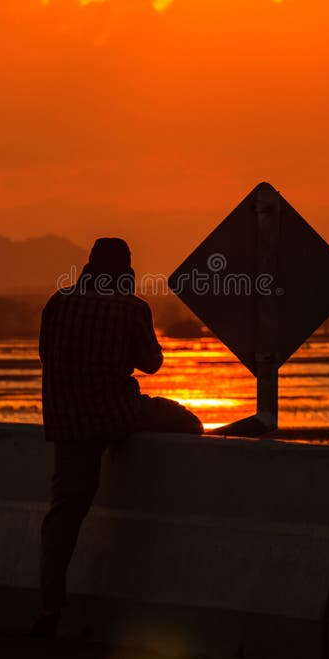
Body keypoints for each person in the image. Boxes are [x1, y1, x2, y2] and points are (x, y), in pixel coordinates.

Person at [32, 237, 202, 638]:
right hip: (116, 415)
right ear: (125, 273)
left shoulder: (59, 302)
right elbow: (153, 363)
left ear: (88, 268)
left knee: (64, 513)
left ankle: (49, 608)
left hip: (68, 423)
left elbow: (45, 354)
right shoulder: (130, 307)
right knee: (186, 420)